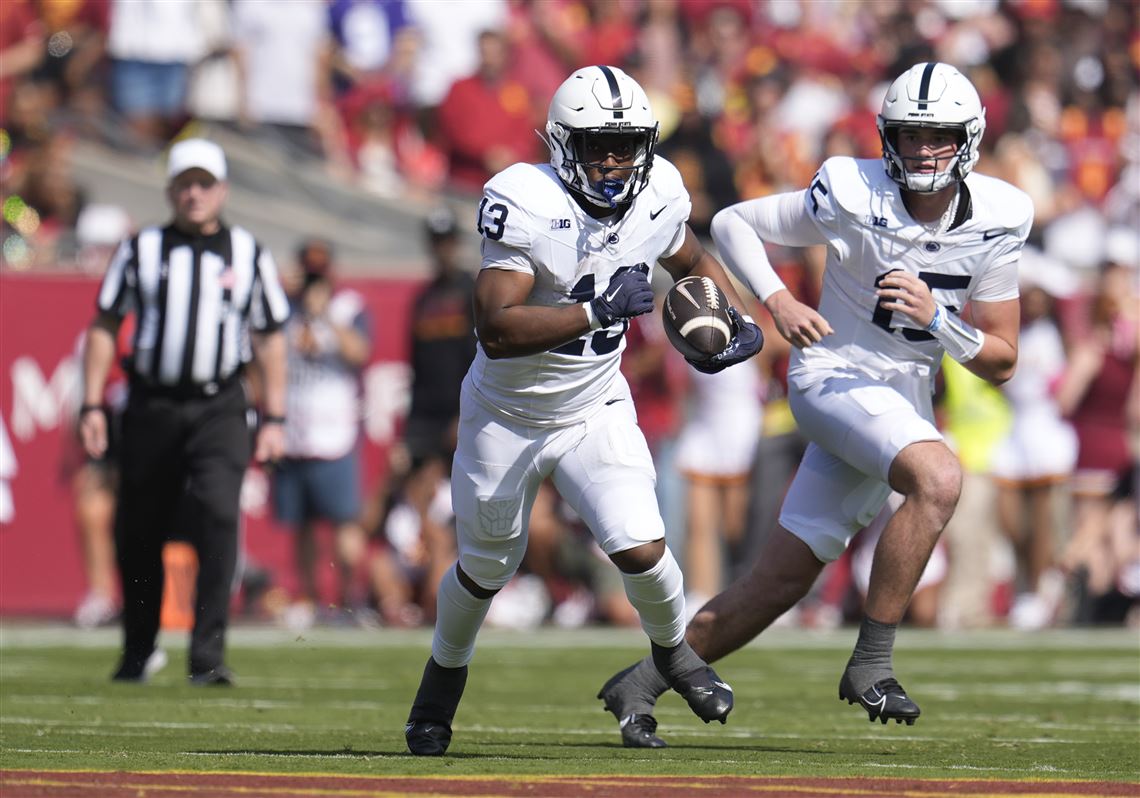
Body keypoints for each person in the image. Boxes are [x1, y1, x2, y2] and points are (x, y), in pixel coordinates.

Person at [598, 62, 1031, 746]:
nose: (922, 149)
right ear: (888, 135)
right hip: (834, 376)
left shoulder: (1001, 216)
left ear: (968, 138)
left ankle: (641, 683)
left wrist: (941, 319)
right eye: (911, 134)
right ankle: (873, 661)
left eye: (938, 135)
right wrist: (777, 299)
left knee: (779, 582)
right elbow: (738, 224)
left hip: (903, 399)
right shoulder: (853, 188)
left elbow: (1002, 358)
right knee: (940, 478)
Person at [403, 64, 763, 756]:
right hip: (507, 414)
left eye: (624, 145)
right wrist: (592, 310)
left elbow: (689, 257)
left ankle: (674, 656)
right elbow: (497, 329)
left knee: (643, 546)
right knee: (485, 571)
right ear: (563, 142)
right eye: (596, 144)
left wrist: (731, 318)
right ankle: (441, 680)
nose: (611, 160)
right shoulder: (527, 200)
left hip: (593, 402)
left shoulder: (655, 195)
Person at [78, 138, 289, 686]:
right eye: (184, 184)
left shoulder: (248, 252)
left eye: (204, 184)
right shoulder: (140, 249)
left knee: (220, 515)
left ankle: (208, 653)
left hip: (219, 403)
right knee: (139, 527)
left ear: (222, 190)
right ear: (171, 190)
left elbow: (269, 338)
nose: (194, 194)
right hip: (151, 402)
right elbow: (104, 326)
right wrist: (93, 402)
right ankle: (140, 646)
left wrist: (275, 417)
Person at [273, 238, 372, 630]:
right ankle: (310, 599)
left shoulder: (347, 308)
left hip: (334, 434)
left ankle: (352, 599)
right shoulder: (283, 310)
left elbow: (359, 353)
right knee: (302, 527)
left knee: (345, 524)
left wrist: (325, 316)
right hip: (294, 432)